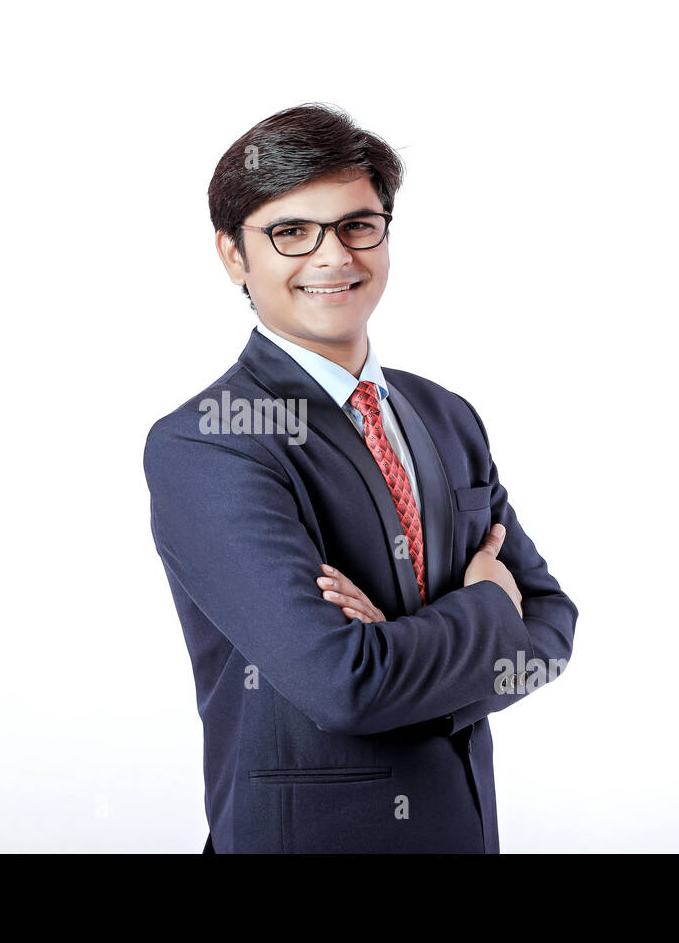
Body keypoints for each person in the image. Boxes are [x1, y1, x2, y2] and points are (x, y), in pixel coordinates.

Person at [143, 103, 578, 853]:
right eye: (290, 233)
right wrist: (480, 606)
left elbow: (550, 629)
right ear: (232, 255)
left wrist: (404, 656)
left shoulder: (444, 415)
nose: (332, 257)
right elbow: (343, 686)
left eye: (356, 225)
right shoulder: (208, 443)